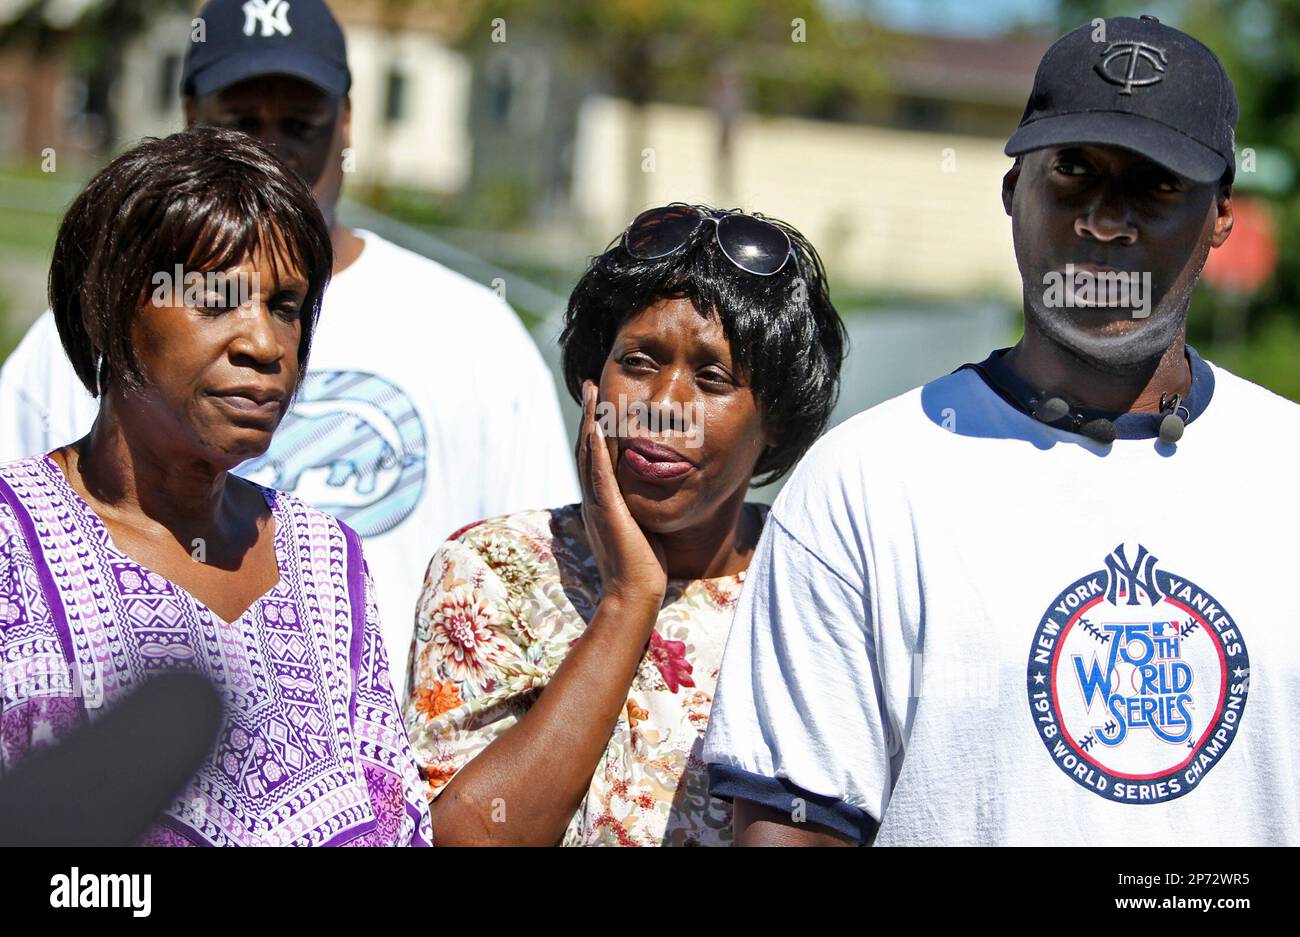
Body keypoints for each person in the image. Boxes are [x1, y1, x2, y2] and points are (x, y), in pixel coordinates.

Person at [704, 15, 1300, 846]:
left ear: (1221, 217)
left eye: (1157, 185)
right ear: (1012, 189)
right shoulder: (868, 483)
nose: (1106, 220)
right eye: (1073, 172)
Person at [0, 0, 578, 678]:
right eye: (241, 122)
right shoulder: (95, 335)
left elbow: (540, 593)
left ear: (348, 124)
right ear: (190, 117)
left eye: (301, 124)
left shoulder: (476, 335)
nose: (270, 150)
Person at [0, 127, 431, 846]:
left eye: (287, 306)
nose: (264, 345)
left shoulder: (327, 561)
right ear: (108, 309)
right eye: (216, 298)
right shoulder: (13, 544)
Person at [402, 204, 846, 845]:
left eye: (713, 377)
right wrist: (628, 601)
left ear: (774, 420)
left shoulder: (816, 589)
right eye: (638, 362)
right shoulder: (495, 570)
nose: (664, 407)